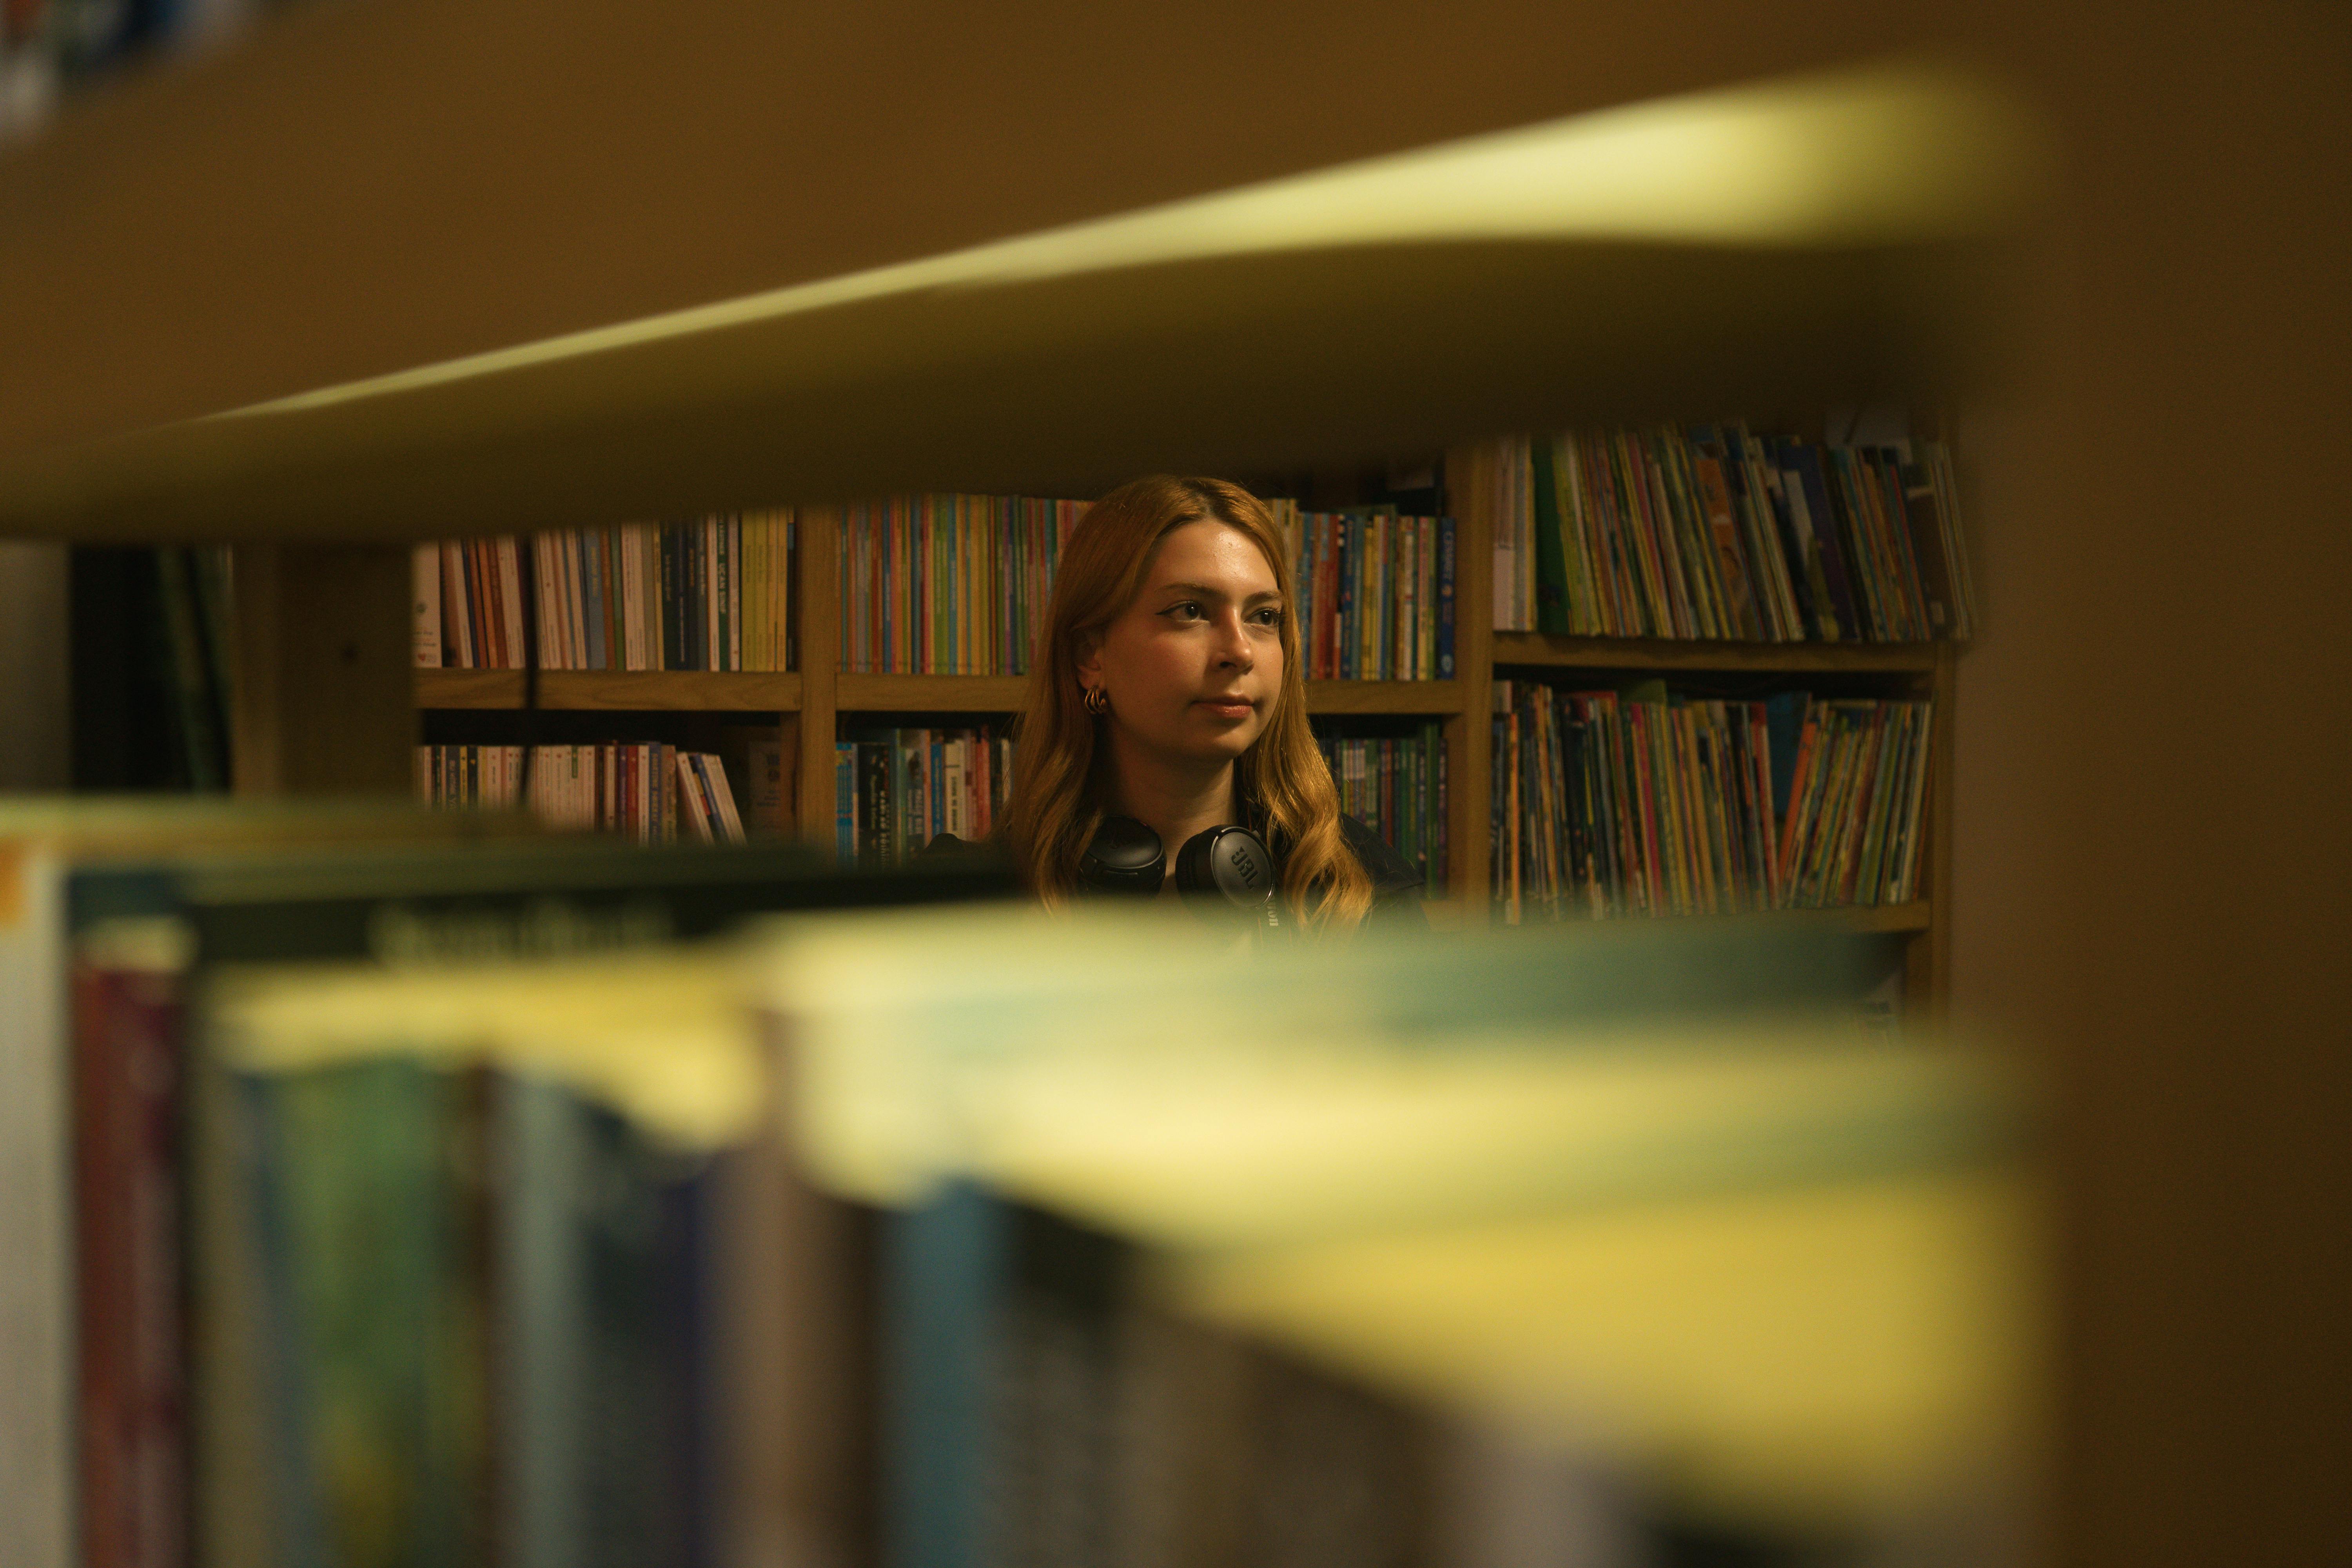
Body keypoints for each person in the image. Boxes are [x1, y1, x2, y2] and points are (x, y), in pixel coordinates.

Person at [998, 474, 1425, 931]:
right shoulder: (976, 904)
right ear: (1090, 655)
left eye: (1263, 617)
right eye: (1191, 611)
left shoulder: (1365, 891)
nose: (1240, 652)